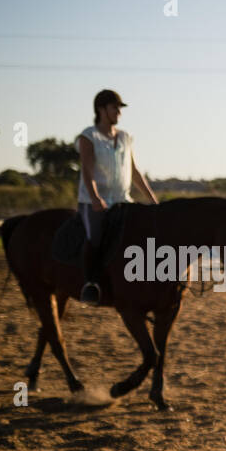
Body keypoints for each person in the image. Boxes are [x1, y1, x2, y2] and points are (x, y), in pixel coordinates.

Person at [76, 89, 157, 306]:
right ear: (101, 109)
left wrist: (152, 199)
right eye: (115, 108)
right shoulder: (88, 136)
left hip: (123, 200)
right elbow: (87, 170)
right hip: (93, 203)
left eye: (120, 108)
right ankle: (91, 283)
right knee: (96, 237)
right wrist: (94, 198)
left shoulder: (125, 137)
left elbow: (134, 171)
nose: (119, 112)